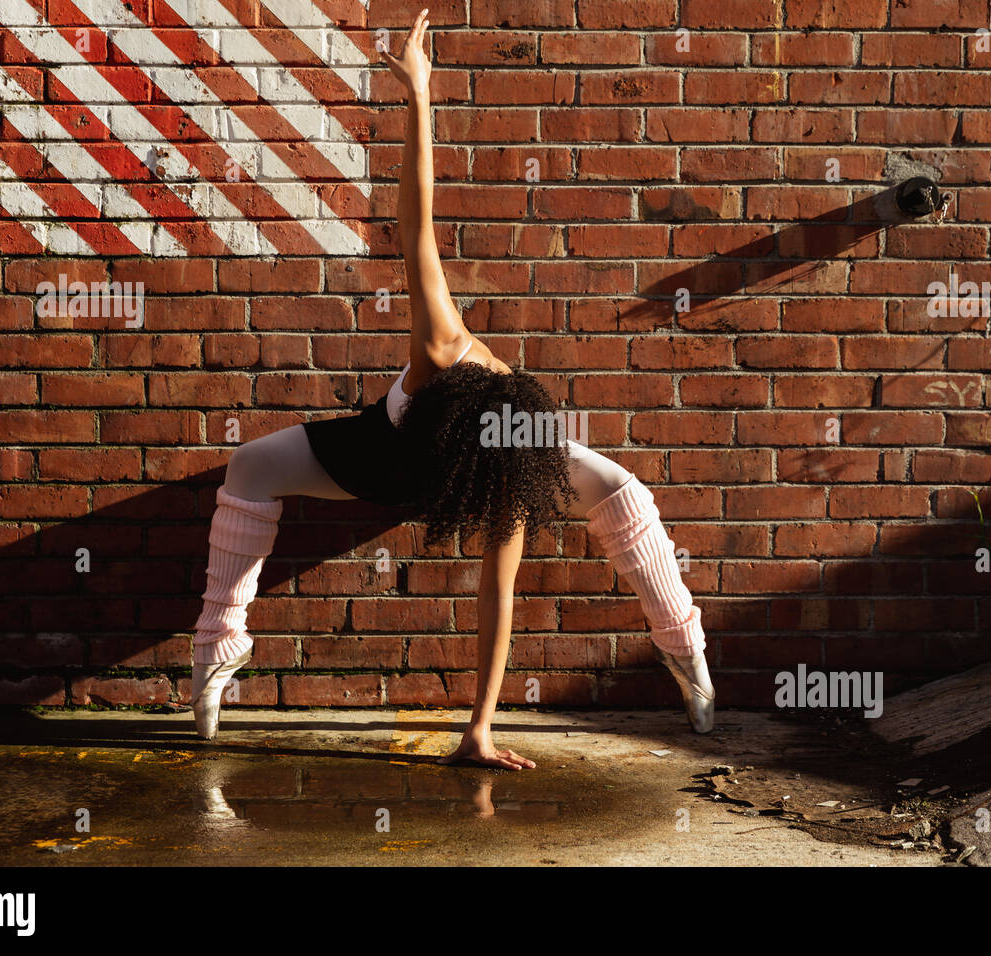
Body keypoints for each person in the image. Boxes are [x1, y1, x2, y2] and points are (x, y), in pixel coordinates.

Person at [189, 8, 714, 770]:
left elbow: (496, 604)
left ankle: (683, 646)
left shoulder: (511, 464)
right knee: (250, 470)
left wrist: (480, 729)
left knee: (621, 493)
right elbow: (418, 223)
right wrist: (419, 100)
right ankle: (217, 650)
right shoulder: (443, 349)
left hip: (454, 458)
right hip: (380, 453)